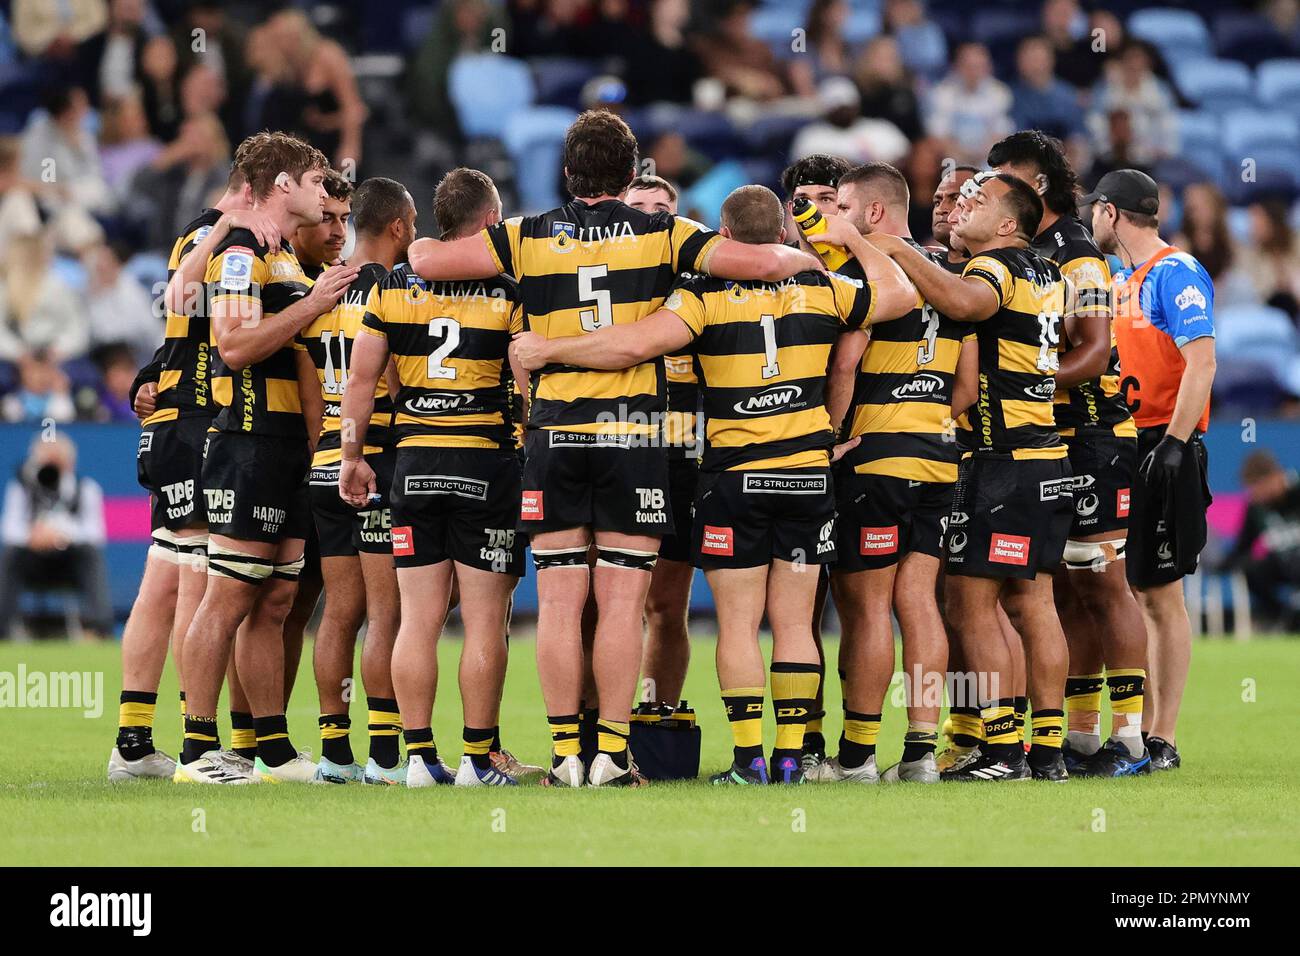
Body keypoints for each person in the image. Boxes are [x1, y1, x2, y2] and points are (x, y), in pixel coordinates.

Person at [407, 109, 826, 788]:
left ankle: (567, 755)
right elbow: (762, 260)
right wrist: (804, 258)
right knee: (627, 604)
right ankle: (609, 754)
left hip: (556, 435)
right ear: (632, 174)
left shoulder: (526, 235)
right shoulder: (665, 234)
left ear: (567, 173)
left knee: (562, 605)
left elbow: (423, 257)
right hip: (635, 438)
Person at [512, 184, 914, 784]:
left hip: (734, 475)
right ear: (780, 237)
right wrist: (851, 239)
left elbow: (634, 345)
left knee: (738, 625)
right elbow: (901, 293)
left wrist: (549, 349)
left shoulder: (701, 295)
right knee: (797, 623)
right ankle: (790, 758)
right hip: (806, 473)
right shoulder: (821, 287)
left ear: (724, 242)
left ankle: (750, 760)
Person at [869, 173, 1075, 782]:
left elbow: (963, 305)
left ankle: (1005, 753)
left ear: (1010, 225)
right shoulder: (1050, 273)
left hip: (1002, 462)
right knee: (1034, 603)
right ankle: (1048, 751)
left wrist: (896, 247)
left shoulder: (997, 269)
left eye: (976, 202)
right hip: (1046, 456)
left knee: (970, 605)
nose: (960, 207)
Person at [176, 132, 357, 784]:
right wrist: (313, 306)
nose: (325, 193)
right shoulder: (241, 250)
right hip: (246, 444)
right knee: (225, 598)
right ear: (284, 185)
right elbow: (233, 345)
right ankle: (196, 750)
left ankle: (273, 748)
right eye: (315, 183)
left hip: (286, 450)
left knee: (275, 602)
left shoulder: (282, 255)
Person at [341, 168, 529, 787]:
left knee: (415, 619)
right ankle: (479, 760)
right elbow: (525, 378)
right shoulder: (508, 287)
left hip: (414, 463)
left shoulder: (392, 285)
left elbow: (363, 381)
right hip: (485, 461)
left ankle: (418, 758)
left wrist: (351, 455)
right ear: (487, 222)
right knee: (483, 621)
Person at [990, 131, 1150, 777]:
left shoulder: (1077, 257)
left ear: (1043, 184)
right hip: (1048, 441)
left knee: (1107, 584)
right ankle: (1080, 735)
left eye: (1010, 176)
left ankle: (1132, 737)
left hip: (1095, 436)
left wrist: (1025, 380)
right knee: (1062, 590)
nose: (998, 184)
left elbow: (1095, 351)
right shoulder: (1025, 251)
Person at [811, 162, 975, 784]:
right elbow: (966, 384)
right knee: (921, 604)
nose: (835, 220)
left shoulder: (864, 273)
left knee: (867, 609)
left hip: (875, 460)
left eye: (844, 208)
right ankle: (921, 755)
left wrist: (831, 437)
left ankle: (855, 758)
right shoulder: (949, 276)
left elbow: (845, 368)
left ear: (874, 213)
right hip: (938, 458)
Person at [1088, 168, 1217, 771]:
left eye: (1096, 211)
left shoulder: (1175, 271)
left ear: (1112, 213)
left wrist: (1174, 443)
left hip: (1164, 442)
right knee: (1135, 587)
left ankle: (1161, 738)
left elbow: (1203, 362)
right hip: (1124, 441)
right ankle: (1138, 733)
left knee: (1161, 594)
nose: (1092, 220)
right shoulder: (1119, 279)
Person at [623, 174, 694, 708]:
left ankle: (656, 718)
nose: (648, 214)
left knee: (666, 604)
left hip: (685, 453)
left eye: (659, 206)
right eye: (637, 206)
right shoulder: (600, 279)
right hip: (617, 445)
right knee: (604, 601)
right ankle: (589, 728)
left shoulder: (702, 279)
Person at [0, 434, 112, 642]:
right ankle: (2, 631)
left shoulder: (86, 489)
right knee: (10, 554)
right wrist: (32, 536)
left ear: (69, 463)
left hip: (68, 564)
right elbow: (9, 529)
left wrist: (61, 535)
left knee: (90, 554)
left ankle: (100, 630)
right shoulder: (21, 488)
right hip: (32, 562)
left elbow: (96, 534)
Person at [1228, 450, 1300, 631]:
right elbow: (1243, 546)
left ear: (1276, 476)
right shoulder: (1256, 508)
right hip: (1284, 564)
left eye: (1258, 487)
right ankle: (1280, 616)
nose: (1255, 494)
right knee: (1251, 568)